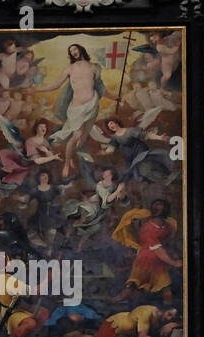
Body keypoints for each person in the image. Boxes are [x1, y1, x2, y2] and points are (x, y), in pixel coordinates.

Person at [30, 43, 106, 178]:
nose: (73, 52)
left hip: (92, 105)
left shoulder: (94, 67)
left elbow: (101, 88)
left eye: (75, 49)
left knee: (82, 138)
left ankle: (71, 154)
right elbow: (56, 85)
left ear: (81, 49)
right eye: (71, 51)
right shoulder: (70, 69)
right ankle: (66, 162)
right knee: (76, 136)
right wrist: (37, 89)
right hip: (76, 108)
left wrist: (115, 97)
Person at [111, 199, 182, 304]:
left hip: (158, 262)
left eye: (160, 207)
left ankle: (170, 310)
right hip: (144, 260)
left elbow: (166, 244)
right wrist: (174, 262)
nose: (157, 210)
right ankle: (120, 301)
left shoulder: (167, 226)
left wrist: (174, 255)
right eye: (156, 207)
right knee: (133, 285)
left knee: (166, 290)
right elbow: (158, 250)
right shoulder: (147, 229)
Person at [84, 305, 180, 337]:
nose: (169, 319)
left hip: (129, 335)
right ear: (163, 310)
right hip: (114, 326)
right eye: (169, 314)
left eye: (173, 318)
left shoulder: (163, 319)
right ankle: (80, 336)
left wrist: (174, 324)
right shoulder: (147, 312)